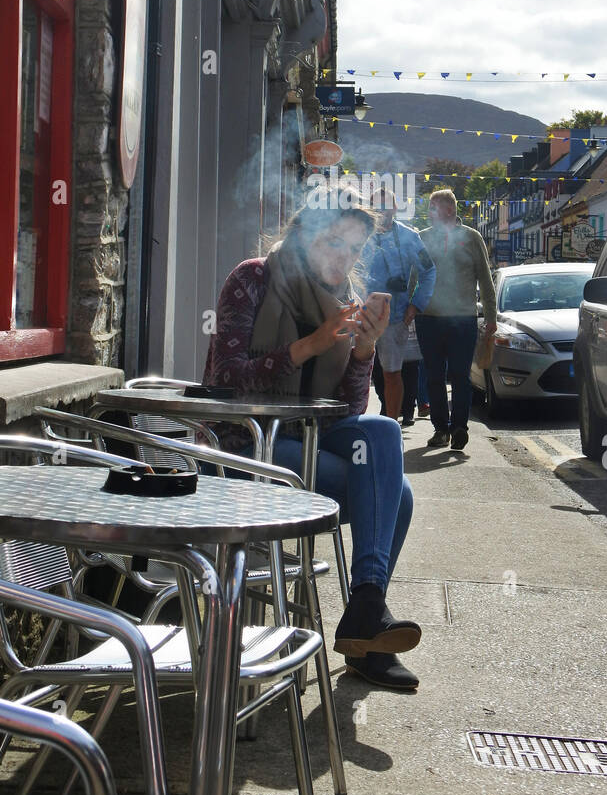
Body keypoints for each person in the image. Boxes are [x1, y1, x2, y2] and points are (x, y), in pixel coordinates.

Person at [202, 183, 421, 691]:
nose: (343, 258)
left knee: (385, 436)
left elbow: (347, 411)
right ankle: (367, 626)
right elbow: (226, 379)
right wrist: (307, 347)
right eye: (333, 242)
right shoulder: (254, 279)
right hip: (247, 445)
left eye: (353, 248)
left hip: (313, 440)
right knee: (396, 496)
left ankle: (365, 613)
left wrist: (362, 354)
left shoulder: (344, 303)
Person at [416, 189, 497, 451]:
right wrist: (408, 308)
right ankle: (441, 429)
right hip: (429, 318)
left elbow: (485, 280)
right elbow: (412, 277)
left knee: (461, 376)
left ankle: (459, 426)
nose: (429, 213)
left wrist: (491, 317)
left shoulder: (472, 238)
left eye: (434, 207)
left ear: (450, 210)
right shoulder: (423, 238)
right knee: (434, 376)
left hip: (463, 318)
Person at [361, 186, 436, 422]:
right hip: (361, 317)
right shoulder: (359, 235)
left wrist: (416, 305)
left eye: (386, 205)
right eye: (377, 206)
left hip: (395, 318)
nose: (382, 211)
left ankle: (391, 427)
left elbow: (429, 271)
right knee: (357, 374)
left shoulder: (409, 236)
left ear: (395, 207)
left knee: (392, 374)